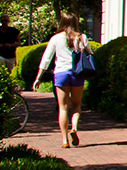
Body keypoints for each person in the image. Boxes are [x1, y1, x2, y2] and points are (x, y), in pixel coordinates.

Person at [32, 13, 93, 148]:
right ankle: (74, 128)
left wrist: (38, 78)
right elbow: (89, 53)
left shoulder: (55, 38)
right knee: (76, 105)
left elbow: (46, 59)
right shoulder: (81, 37)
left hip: (60, 73)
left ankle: (65, 140)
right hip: (77, 73)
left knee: (63, 107)